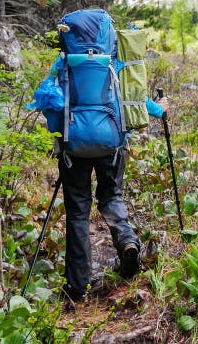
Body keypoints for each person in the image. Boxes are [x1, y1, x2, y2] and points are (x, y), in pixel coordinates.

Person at [58, 94, 168, 302]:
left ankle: (77, 287)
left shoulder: (66, 60)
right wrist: (159, 109)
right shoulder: (117, 60)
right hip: (112, 141)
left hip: (73, 144)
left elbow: (50, 96)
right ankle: (127, 241)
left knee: (78, 213)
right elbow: (133, 94)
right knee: (111, 197)